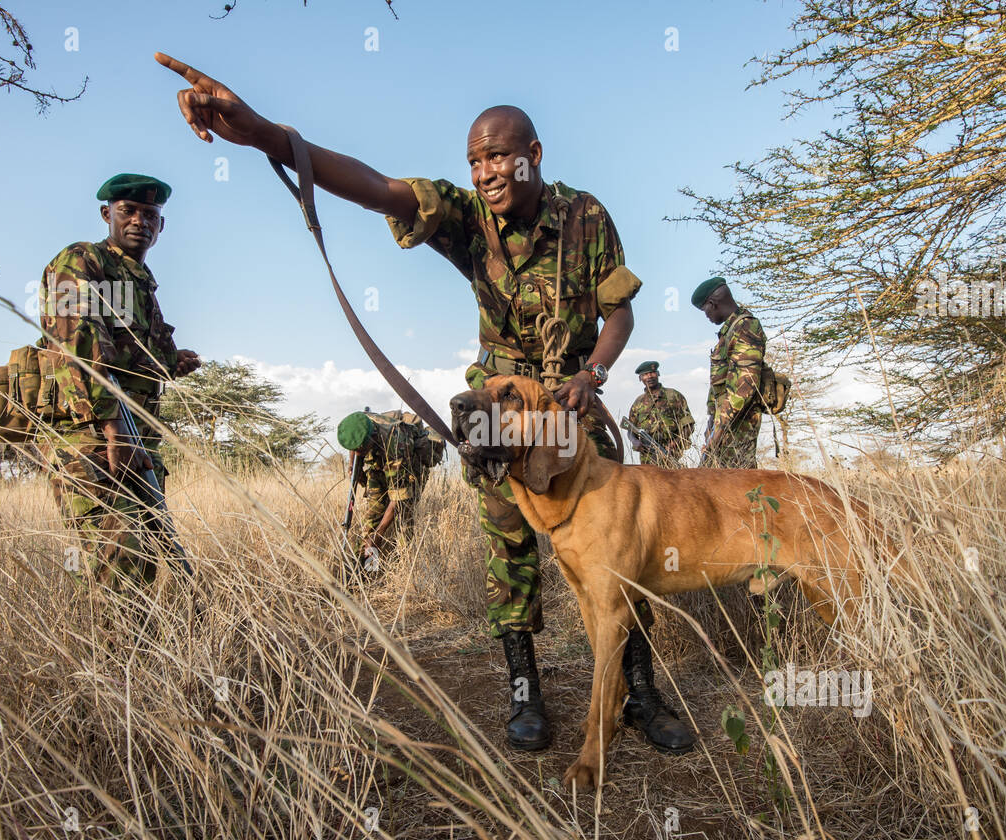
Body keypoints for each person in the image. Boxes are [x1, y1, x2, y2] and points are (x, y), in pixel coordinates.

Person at [155, 53, 696, 755]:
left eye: (500, 156)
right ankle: (525, 686)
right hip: (495, 408)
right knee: (509, 548)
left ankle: (638, 691)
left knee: (620, 549)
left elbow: (619, 313)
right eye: (475, 161)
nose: (486, 173)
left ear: (533, 154)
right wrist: (263, 134)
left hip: (571, 402)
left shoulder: (588, 215)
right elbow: (381, 189)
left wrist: (592, 373)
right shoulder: (466, 215)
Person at [37, 173, 201, 595]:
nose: (139, 222)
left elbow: (136, 360)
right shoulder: (82, 260)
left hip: (137, 437)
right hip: (91, 433)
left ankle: (133, 655)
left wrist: (172, 361)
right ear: (106, 214)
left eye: (151, 215)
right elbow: (76, 342)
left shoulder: (142, 283)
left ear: (161, 226)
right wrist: (114, 430)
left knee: (140, 549)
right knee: (119, 547)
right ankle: (107, 655)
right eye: (128, 211)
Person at [694, 277, 766, 469]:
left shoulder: (745, 327)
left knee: (739, 487)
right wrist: (712, 421)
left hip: (738, 425)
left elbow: (743, 386)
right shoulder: (729, 331)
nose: (706, 316)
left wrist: (719, 428)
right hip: (725, 422)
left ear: (712, 303)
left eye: (705, 310)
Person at [337, 410, 425, 561]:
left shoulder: (396, 444)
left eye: (362, 449)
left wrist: (379, 534)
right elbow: (354, 444)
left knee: (404, 520)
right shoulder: (358, 423)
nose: (359, 453)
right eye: (355, 449)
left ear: (372, 437)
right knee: (372, 519)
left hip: (408, 467)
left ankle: (404, 568)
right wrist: (352, 466)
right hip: (378, 463)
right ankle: (369, 571)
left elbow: (398, 498)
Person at [627, 360, 694, 466]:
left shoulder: (674, 396)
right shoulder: (638, 403)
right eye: (645, 374)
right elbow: (630, 430)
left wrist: (675, 444)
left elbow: (689, 425)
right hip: (647, 457)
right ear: (640, 378)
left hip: (671, 454)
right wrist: (635, 442)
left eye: (652, 373)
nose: (649, 376)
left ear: (658, 374)